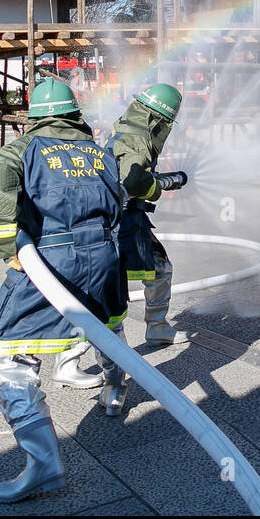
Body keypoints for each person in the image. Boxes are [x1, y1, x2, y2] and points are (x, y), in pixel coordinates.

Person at [0, 79, 126, 503]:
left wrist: (9, 252)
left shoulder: (21, 149)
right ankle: (114, 393)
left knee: (5, 353)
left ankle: (42, 464)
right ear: (75, 115)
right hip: (105, 258)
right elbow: (118, 206)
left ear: (34, 116)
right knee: (107, 328)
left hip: (51, 260)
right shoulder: (100, 153)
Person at [112, 83, 189, 347]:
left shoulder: (128, 129)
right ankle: (71, 356)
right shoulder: (138, 139)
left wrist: (156, 179)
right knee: (107, 288)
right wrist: (159, 186)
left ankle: (157, 327)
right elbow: (132, 182)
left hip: (126, 217)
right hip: (119, 221)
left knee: (160, 269)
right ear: (159, 120)